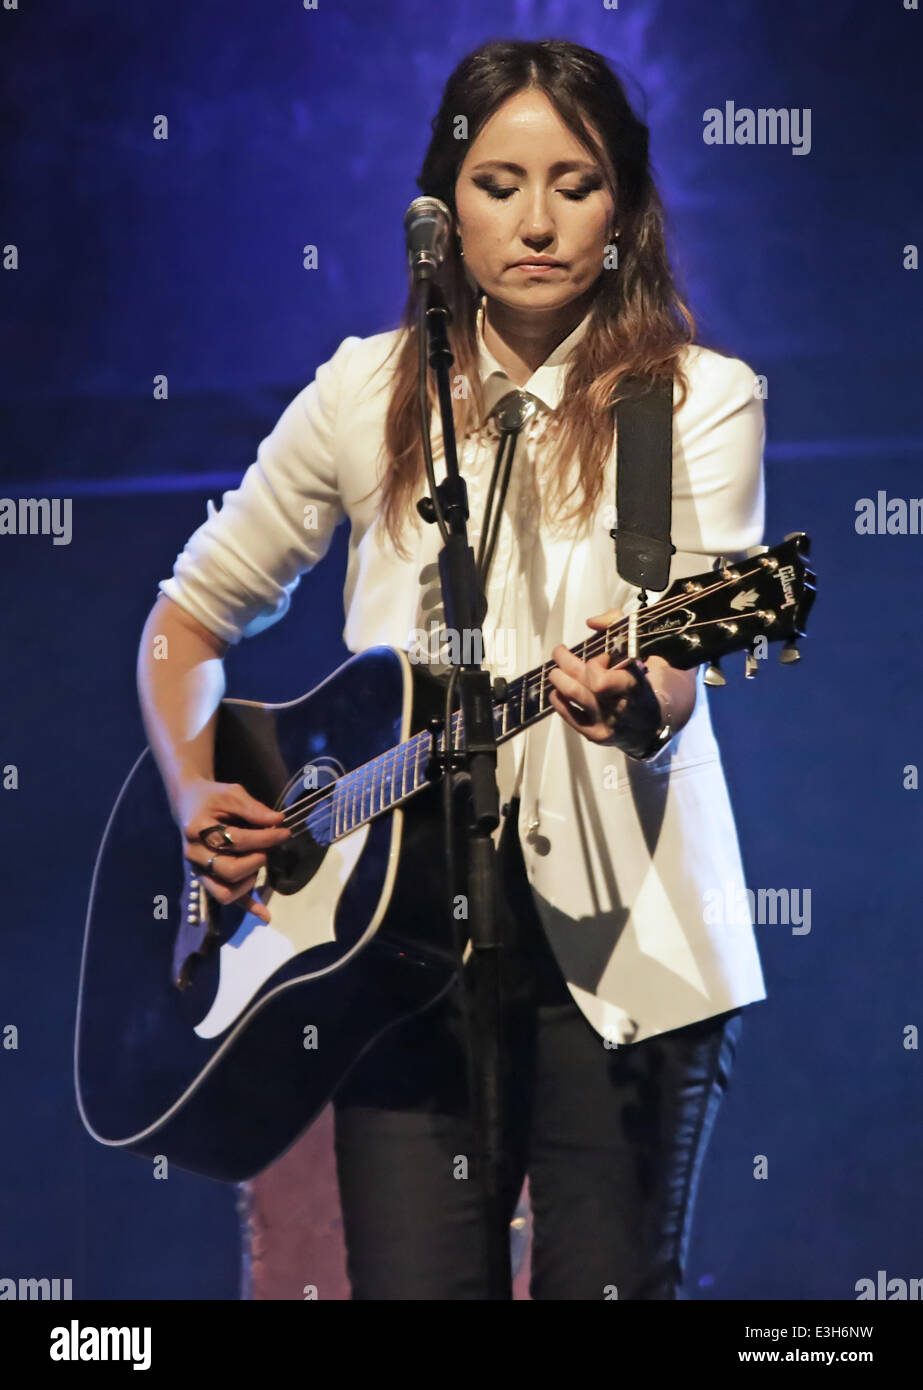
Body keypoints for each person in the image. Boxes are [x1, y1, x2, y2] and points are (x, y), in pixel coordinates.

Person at [138, 38, 767, 1300]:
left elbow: (675, 668)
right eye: (498, 182)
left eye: (574, 182)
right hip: (393, 967)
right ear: (444, 205)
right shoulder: (361, 392)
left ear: (624, 204)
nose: (536, 219)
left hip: (629, 954)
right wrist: (197, 790)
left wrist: (630, 702)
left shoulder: (687, 399)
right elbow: (186, 622)